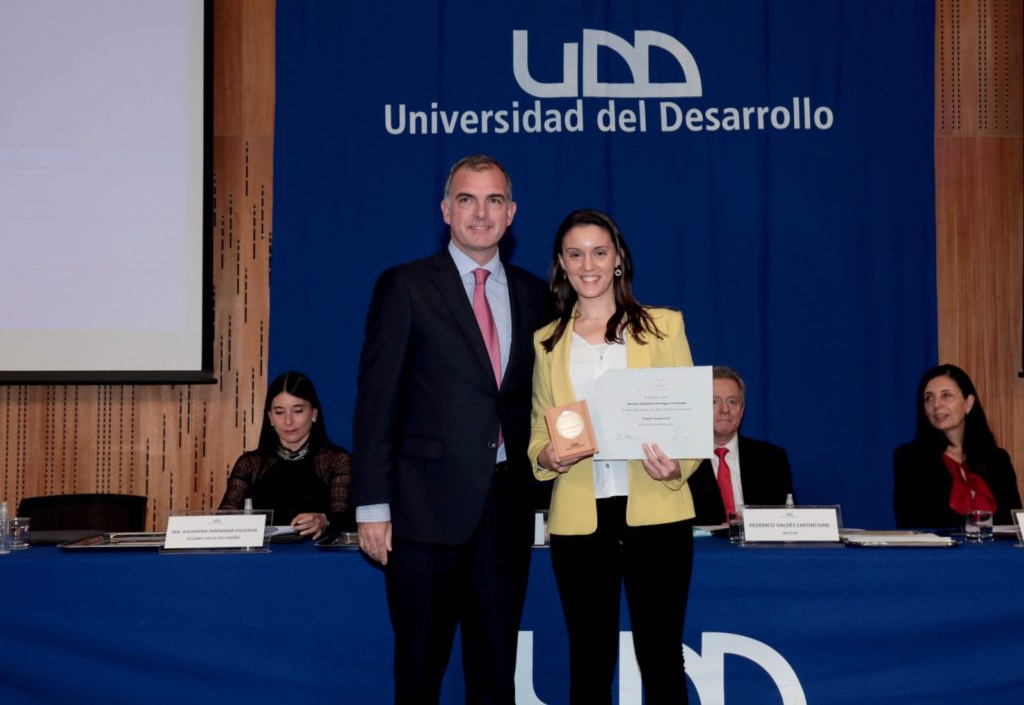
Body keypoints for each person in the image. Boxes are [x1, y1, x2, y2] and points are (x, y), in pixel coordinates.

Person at [352, 154, 550, 704]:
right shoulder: (406, 286)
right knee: (419, 673)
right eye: (466, 199)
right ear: (446, 210)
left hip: (505, 509)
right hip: (421, 514)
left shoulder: (537, 296)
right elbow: (376, 402)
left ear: (511, 213)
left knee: (494, 678)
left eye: (493, 201)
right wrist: (371, 505)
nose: (480, 213)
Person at [528, 209, 700, 705]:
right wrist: (548, 456)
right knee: (588, 659)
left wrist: (677, 467)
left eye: (599, 252)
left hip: (657, 512)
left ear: (619, 259)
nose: (589, 265)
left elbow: (689, 419)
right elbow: (540, 428)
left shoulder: (664, 327)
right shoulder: (547, 342)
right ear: (561, 263)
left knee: (662, 656)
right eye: (576, 254)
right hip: (580, 520)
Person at [219, 370, 352, 537]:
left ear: (314, 414)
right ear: (270, 418)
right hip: (259, 561)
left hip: (317, 559)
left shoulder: (336, 460)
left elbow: (345, 518)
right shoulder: (250, 464)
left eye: (297, 411)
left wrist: (323, 520)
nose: (288, 421)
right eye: (279, 412)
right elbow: (223, 521)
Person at [893, 364, 1021, 528]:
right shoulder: (910, 459)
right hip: (943, 554)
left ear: (968, 403)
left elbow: (1015, 525)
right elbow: (911, 522)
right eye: (929, 398)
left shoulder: (997, 460)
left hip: (996, 553)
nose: (936, 405)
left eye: (946, 395)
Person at [688, 366, 795, 525]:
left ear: (742, 410)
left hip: (758, 549)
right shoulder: (684, 463)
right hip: (706, 549)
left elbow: (789, 520)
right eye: (714, 402)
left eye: (732, 402)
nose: (725, 410)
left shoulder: (772, 459)